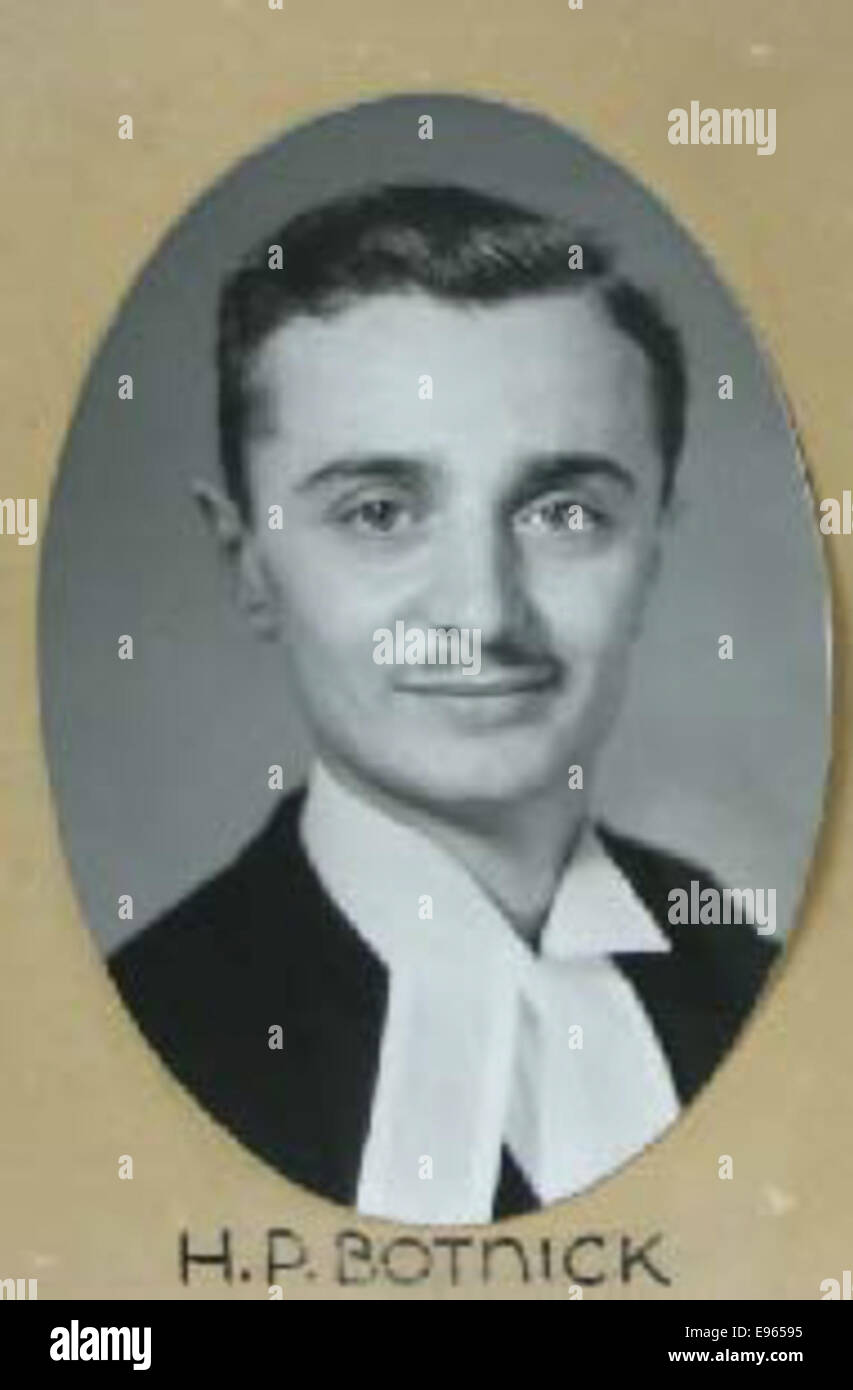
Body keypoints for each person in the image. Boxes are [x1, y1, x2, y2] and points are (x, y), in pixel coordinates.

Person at [108, 183, 778, 1224]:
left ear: (651, 549)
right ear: (246, 561)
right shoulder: (130, 1035)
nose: (481, 610)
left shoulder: (770, 993)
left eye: (565, 512)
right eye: (377, 512)